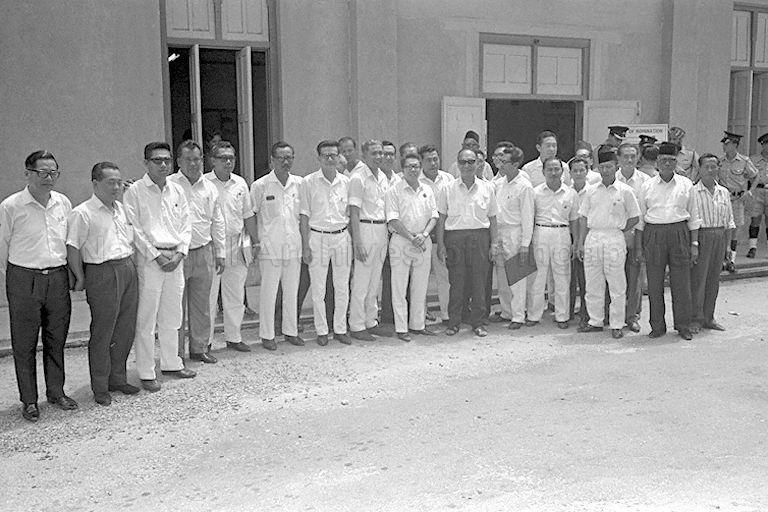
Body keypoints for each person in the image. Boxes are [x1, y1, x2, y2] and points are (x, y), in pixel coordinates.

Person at [0, 150, 76, 421]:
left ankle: (56, 392)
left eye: (53, 172)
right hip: (23, 278)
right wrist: (11, 280)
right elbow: (3, 247)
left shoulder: (63, 203)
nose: (48, 178)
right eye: (42, 173)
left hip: (56, 277)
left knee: (57, 338)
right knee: (24, 342)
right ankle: (29, 400)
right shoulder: (11, 206)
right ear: (28, 174)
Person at [123, 142, 195, 393]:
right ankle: (145, 370)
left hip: (175, 258)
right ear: (146, 163)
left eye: (166, 160)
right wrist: (156, 256)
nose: (163, 164)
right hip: (150, 261)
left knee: (172, 314)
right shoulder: (135, 192)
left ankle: (171, 362)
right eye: (157, 160)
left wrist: (181, 252)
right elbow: (134, 228)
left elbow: (187, 224)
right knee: (147, 317)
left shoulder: (177, 190)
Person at [67, 162, 139, 406]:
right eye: (111, 182)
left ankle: (118, 377)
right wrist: (80, 277)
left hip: (127, 267)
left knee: (125, 328)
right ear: (95, 183)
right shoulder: (83, 213)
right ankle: (100, 385)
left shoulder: (121, 209)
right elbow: (73, 248)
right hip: (102, 271)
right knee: (103, 331)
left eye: (119, 182)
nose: (117, 187)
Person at [634, 141, 701, 341]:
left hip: (679, 232)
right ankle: (657, 326)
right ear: (657, 163)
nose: (667, 164)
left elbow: (694, 217)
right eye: (663, 160)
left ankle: (683, 325)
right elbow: (640, 220)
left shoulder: (686, 184)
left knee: (681, 283)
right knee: (654, 283)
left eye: (671, 160)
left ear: (676, 162)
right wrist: (639, 248)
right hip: (654, 234)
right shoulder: (647, 185)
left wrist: (694, 244)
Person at [168, 140, 225, 364]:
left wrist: (220, 252)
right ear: (179, 161)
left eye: (197, 159)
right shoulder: (170, 185)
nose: (193, 164)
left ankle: (199, 348)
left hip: (204, 251)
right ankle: (176, 354)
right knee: (176, 308)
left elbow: (217, 221)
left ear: (203, 160)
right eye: (188, 159)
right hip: (177, 254)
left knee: (202, 306)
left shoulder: (209, 187)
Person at [576, 150, 640, 339]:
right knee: (593, 283)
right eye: (602, 167)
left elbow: (635, 217)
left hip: (614, 237)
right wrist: (580, 243)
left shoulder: (625, 191)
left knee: (617, 284)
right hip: (593, 237)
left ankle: (617, 323)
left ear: (616, 167)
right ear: (597, 168)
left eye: (609, 167)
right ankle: (595, 321)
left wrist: (620, 229)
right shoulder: (591, 190)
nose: (605, 170)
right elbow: (583, 217)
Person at [437, 148, 499, 337]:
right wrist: (441, 245)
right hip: (455, 239)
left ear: (478, 164)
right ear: (457, 164)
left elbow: (493, 218)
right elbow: (441, 218)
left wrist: (493, 244)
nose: (467, 166)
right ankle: (454, 322)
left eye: (471, 162)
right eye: (463, 162)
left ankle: (478, 322)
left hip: (480, 237)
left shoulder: (488, 188)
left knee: (479, 282)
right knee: (457, 282)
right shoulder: (447, 188)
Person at [205, 141, 258, 353]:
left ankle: (233, 337)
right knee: (209, 297)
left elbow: (248, 215)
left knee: (235, 294)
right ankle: (204, 342)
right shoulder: (204, 183)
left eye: (231, 158)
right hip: (211, 245)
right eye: (223, 158)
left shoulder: (240, 183)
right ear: (212, 161)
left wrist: (255, 241)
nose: (228, 162)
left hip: (237, 243)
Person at [251, 141, 304, 351]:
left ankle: (291, 331)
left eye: (289, 157)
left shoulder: (299, 184)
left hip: (293, 246)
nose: (285, 161)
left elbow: (303, 216)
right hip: (270, 247)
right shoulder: (260, 185)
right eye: (281, 157)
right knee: (268, 292)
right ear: (272, 160)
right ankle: (267, 334)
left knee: (291, 291)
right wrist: (255, 242)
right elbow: (252, 215)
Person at [300, 140, 353, 346]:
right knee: (319, 288)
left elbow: (350, 212)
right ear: (319, 158)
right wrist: (305, 245)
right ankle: (321, 330)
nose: (330, 159)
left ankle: (340, 329)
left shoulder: (347, 183)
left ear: (339, 157)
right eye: (326, 155)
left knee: (341, 286)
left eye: (333, 155)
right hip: (317, 237)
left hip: (341, 236)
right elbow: (304, 215)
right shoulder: (308, 182)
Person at [385, 152, 438, 341]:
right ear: (403, 169)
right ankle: (401, 328)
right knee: (399, 286)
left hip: (423, 241)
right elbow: (392, 218)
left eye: (416, 166)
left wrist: (423, 235)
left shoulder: (427, 189)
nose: (413, 170)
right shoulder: (394, 191)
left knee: (420, 286)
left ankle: (418, 324)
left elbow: (434, 215)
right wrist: (410, 237)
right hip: (401, 240)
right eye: (409, 167)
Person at [526, 157, 580, 328]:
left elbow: (574, 220)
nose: (553, 172)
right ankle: (534, 315)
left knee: (562, 276)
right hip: (541, 231)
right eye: (549, 169)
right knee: (538, 277)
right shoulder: (535, 192)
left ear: (562, 171)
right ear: (543, 172)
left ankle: (562, 316)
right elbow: (530, 217)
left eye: (557, 169)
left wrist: (575, 241)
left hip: (562, 233)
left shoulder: (571, 193)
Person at [348, 139, 392, 340]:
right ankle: (357, 325)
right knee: (361, 281)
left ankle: (371, 320)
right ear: (364, 156)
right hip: (365, 229)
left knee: (375, 280)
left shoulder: (383, 177)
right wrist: (357, 241)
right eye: (374, 153)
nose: (379, 157)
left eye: (381, 153)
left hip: (381, 229)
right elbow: (354, 212)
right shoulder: (358, 178)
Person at [690, 154, 734, 333]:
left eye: (714, 166)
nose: (710, 170)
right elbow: (691, 221)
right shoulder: (692, 192)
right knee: (698, 280)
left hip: (719, 236)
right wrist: (693, 244)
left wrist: (728, 247)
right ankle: (695, 318)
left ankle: (709, 317)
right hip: (701, 236)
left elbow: (729, 221)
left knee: (713, 280)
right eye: (706, 167)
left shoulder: (724, 192)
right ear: (699, 169)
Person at [493, 145, 534, 329]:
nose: (501, 165)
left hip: (516, 232)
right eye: (500, 161)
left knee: (517, 277)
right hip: (500, 231)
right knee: (501, 275)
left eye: (505, 162)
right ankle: (506, 311)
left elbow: (527, 216)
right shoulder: (499, 184)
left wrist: (525, 243)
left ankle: (518, 315)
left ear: (516, 164)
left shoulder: (524, 186)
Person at [614, 143, 649, 332]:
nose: (629, 160)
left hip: (636, 236)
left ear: (638, 158)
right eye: (625, 156)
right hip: (614, 237)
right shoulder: (610, 178)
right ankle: (613, 315)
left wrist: (640, 243)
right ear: (618, 158)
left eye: (632, 156)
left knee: (635, 279)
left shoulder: (645, 181)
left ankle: (632, 316)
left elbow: (644, 213)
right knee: (613, 278)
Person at [418, 144, 454, 323]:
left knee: (444, 278)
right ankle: (421, 315)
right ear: (421, 162)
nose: (433, 163)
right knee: (420, 279)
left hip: (443, 238)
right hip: (421, 238)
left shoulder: (448, 179)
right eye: (428, 160)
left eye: (435, 159)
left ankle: (446, 314)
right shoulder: (415, 180)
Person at [719, 131, 757, 272]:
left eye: (727, 143)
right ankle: (723, 259)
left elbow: (756, 176)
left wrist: (750, 191)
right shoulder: (720, 161)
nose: (724, 146)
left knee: (735, 230)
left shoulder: (744, 161)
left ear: (735, 145)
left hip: (737, 200)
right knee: (723, 229)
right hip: (723, 199)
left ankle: (732, 261)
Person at [378, 140, 401, 325]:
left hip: (396, 236)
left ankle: (393, 315)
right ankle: (380, 317)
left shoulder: (399, 180)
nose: (387, 157)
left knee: (395, 276)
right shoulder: (372, 178)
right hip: (376, 234)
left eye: (391, 154)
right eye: (384, 154)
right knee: (373, 279)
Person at [567, 157, 591, 328]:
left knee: (585, 279)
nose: (578, 173)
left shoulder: (593, 191)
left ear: (587, 171)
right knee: (568, 278)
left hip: (588, 237)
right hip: (567, 237)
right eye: (574, 170)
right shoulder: (567, 192)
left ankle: (586, 313)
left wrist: (580, 241)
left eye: (581, 170)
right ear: (570, 173)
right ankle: (567, 313)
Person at [746, 132, 768, 258]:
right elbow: (748, 176)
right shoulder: (753, 160)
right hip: (757, 192)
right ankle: (752, 247)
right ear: (762, 145)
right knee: (755, 219)